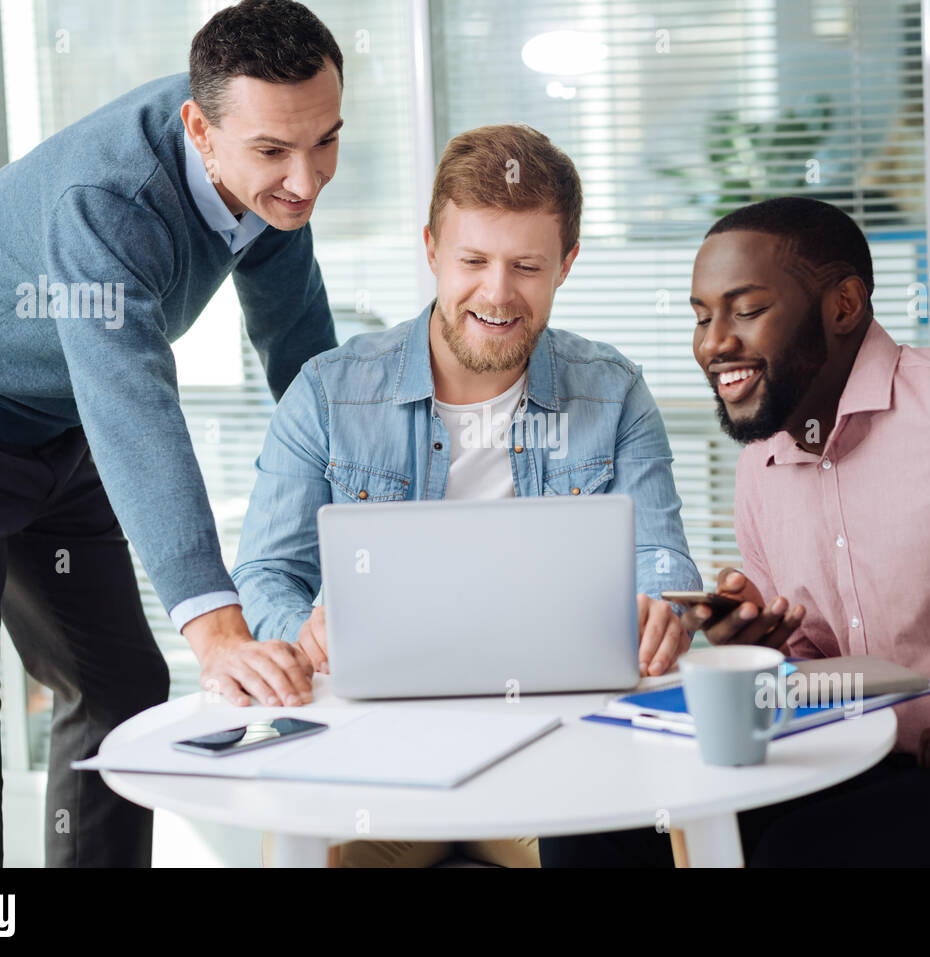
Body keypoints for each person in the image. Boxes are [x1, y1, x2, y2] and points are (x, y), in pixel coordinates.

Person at [542, 195, 930, 867]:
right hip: (875, 765)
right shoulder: (763, 466)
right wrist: (769, 654)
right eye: (701, 317)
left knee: (804, 851)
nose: (713, 342)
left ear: (843, 305)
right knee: (598, 821)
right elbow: (833, 662)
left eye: (746, 311)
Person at [0, 0, 342, 867]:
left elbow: (299, 343)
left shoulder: (268, 174)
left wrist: (359, 494)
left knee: (120, 685)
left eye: (326, 142)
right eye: (274, 152)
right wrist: (219, 626)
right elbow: (134, 405)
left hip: (57, 422)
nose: (305, 181)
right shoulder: (112, 198)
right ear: (201, 128)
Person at [232, 123, 702, 867]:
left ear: (566, 264)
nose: (497, 292)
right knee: (305, 844)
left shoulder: (614, 392)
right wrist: (302, 629)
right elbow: (264, 573)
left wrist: (659, 610)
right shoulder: (327, 391)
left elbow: (664, 563)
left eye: (526, 265)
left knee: (643, 842)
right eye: (473, 260)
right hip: (381, 752)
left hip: (556, 750)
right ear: (431, 251)